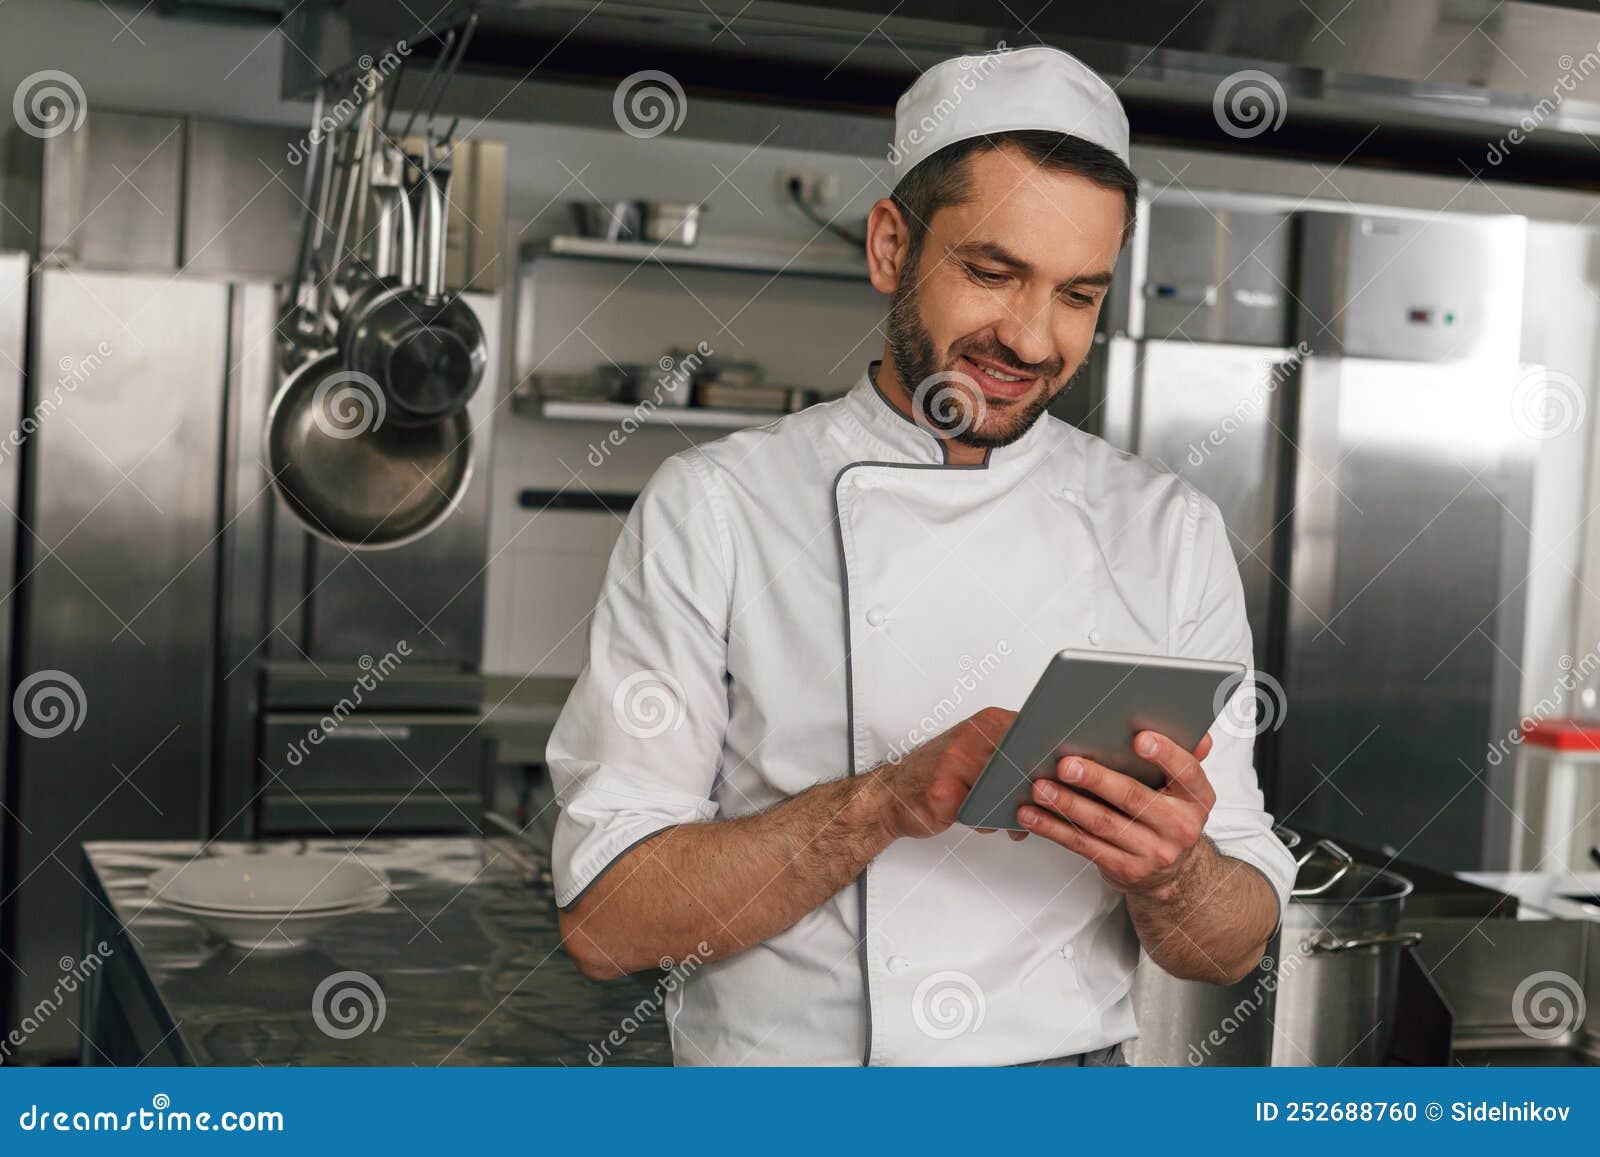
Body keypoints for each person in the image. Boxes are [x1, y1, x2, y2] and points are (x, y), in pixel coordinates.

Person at [546, 44, 1296, 1066]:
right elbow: (606, 923)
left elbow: (1232, 941)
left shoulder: (1166, 529)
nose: (1031, 338)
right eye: (992, 272)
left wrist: (1171, 873)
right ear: (891, 247)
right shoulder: (718, 506)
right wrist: (882, 801)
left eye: (1077, 294)